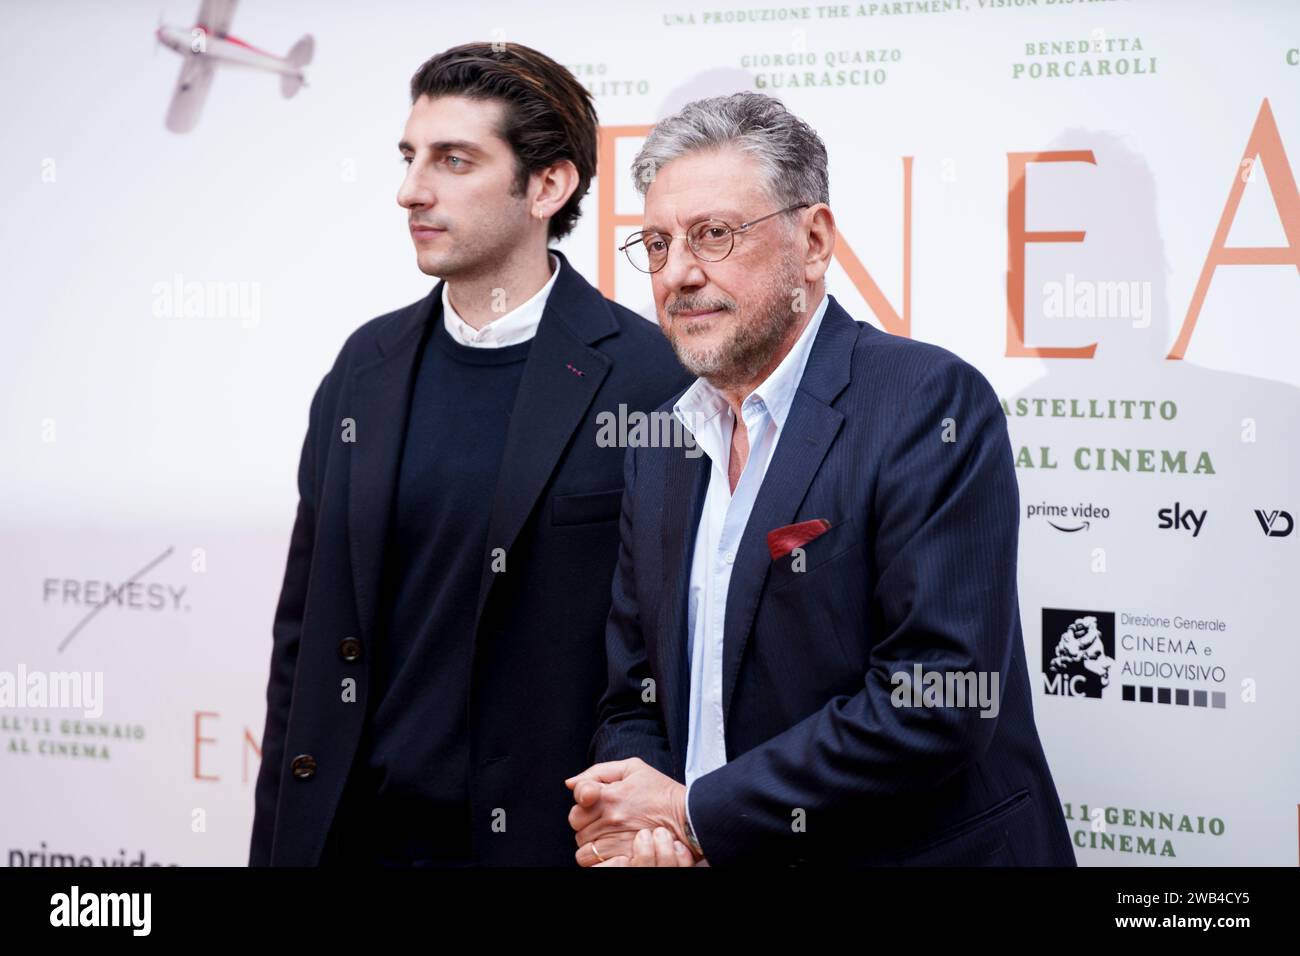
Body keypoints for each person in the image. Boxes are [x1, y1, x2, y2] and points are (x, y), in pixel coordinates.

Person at [567, 91, 1076, 867]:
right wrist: (650, 825)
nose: (679, 273)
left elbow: (935, 699)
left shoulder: (926, 403)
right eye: (657, 243)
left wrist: (695, 811)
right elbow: (634, 687)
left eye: (713, 234)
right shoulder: (662, 438)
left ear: (813, 241)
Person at [250, 42, 690, 867]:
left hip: (549, 846)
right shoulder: (363, 369)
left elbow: (677, 656)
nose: (412, 189)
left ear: (548, 186)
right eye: (411, 157)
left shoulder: (652, 378)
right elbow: (303, 641)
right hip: (356, 841)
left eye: (455, 160)